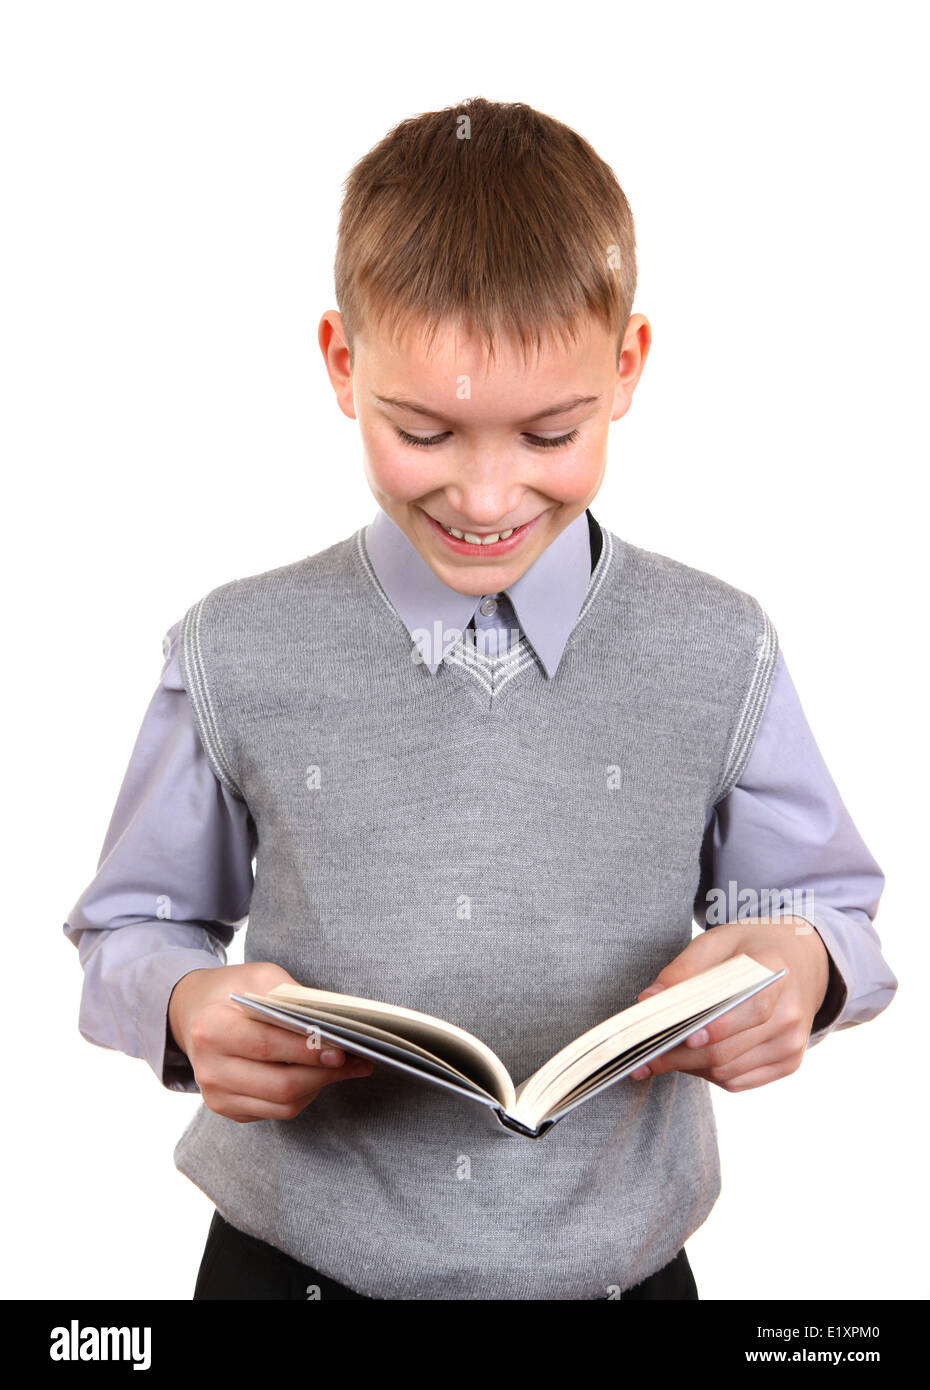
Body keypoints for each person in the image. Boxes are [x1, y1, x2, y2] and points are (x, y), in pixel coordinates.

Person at [63, 96, 896, 1301]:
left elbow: (826, 908)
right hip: (288, 1271)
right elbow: (131, 924)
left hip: (622, 1279)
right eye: (425, 431)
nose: (489, 496)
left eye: (550, 435)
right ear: (343, 366)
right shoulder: (234, 646)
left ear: (627, 369)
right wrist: (187, 1005)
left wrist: (803, 966)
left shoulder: (721, 647)